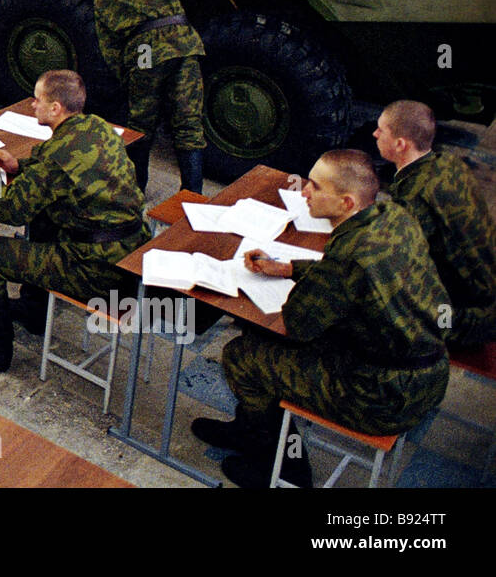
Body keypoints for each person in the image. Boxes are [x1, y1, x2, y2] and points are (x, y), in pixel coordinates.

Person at [192, 150, 451, 488]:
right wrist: (290, 268)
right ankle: (249, 427)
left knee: (243, 356)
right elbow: (361, 276)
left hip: (381, 397)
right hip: (424, 376)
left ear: (346, 202)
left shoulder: (347, 258)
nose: (304, 193)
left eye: (315, 186)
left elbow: (299, 326)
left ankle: (287, 468)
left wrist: (303, 285)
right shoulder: (392, 216)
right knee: (260, 341)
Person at [0, 70, 148, 372]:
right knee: (43, 218)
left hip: (96, 269)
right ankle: (33, 309)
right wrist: (18, 165)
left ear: (55, 108)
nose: (32, 105)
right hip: (129, 251)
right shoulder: (98, 127)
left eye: (38, 100)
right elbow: (61, 172)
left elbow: (9, 211)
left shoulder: (56, 157)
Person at [93, 0, 217, 193]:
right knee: (188, 125)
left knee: (141, 126)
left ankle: (136, 191)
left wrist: (128, 75)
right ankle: (191, 198)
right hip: (182, 44)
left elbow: (110, 47)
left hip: (144, 52)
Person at [375, 100, 496, 346]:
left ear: (400, 144)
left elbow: (395, 263)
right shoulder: (446, 163)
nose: (374, 134)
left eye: (381, 130)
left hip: (472, 316)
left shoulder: (414, 197)